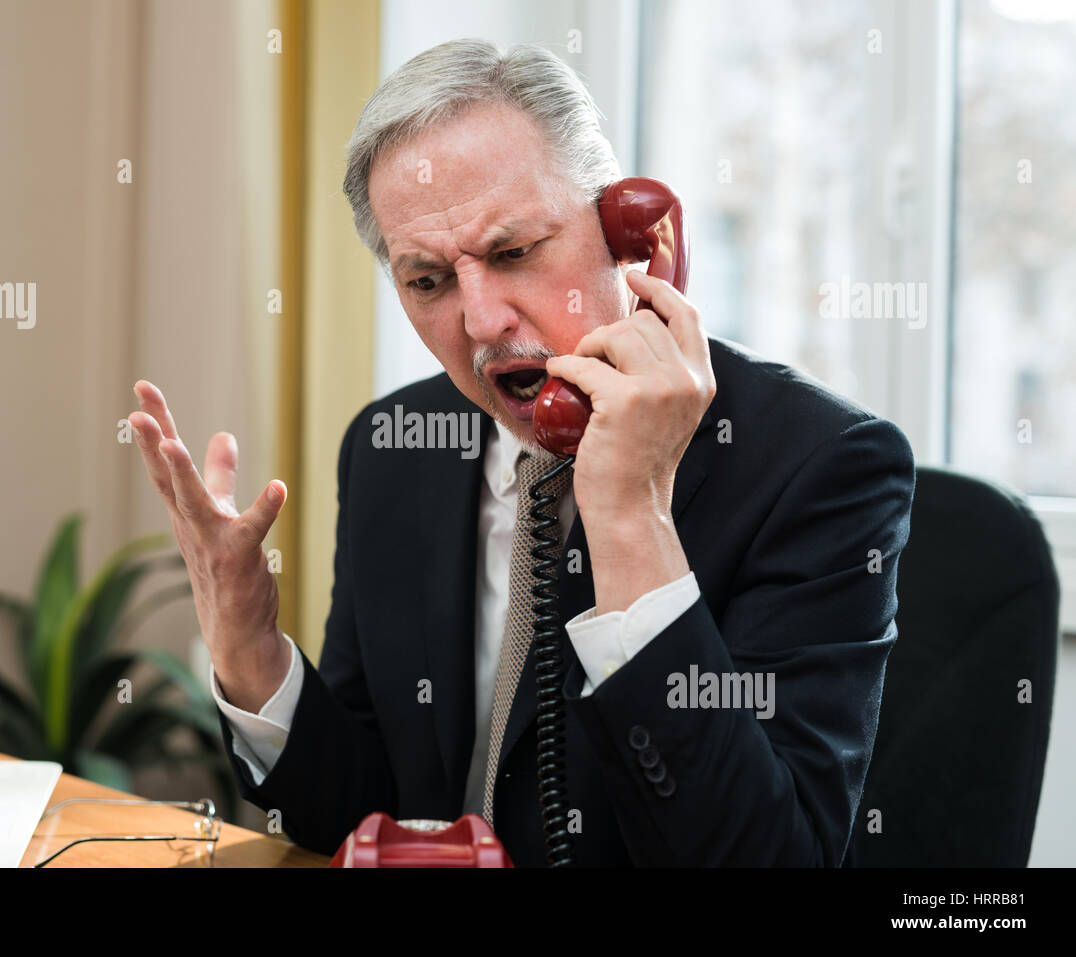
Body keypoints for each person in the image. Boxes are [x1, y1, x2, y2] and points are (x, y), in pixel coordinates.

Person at [127, 39, 915, 866]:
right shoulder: (394, 446)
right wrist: (249, 647)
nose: (480, 322)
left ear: (636, 240)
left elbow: (769, 857)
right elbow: (359, 810)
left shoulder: (822, 466)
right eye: (427, 280)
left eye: (512, 253)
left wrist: (628, 512)